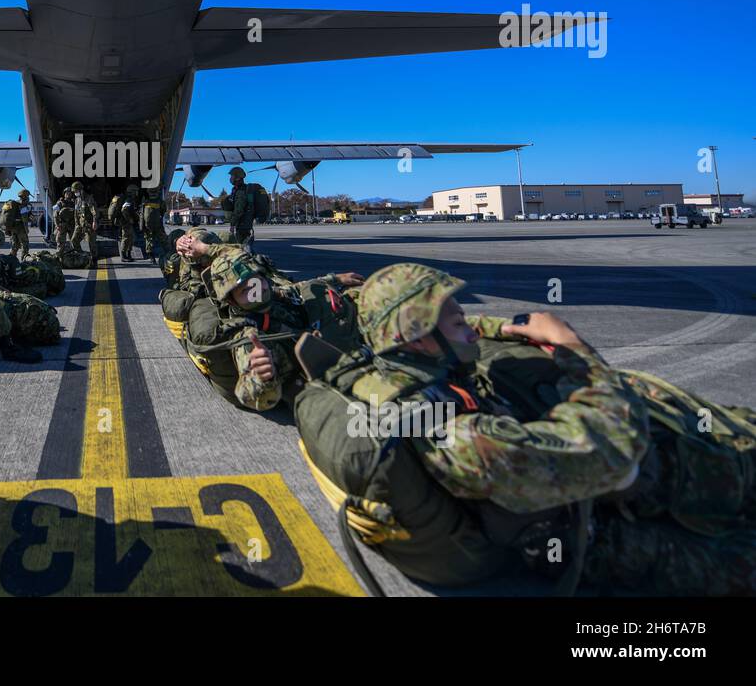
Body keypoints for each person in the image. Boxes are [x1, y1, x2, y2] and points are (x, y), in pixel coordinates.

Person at [294, 262, 756, 596]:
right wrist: (577, 354)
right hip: (584, 533)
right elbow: (611, 449)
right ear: (419, 335)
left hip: (557, 489)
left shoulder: (391, 366)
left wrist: (513, 325)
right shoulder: (457, 437)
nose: (471, 331)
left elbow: (465, 325)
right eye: (456, 322)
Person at [183, 246, 364, 411]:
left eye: (256, 281)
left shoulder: (271, 295)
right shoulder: (248, 335)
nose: (256, 290)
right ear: (231, 300)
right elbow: (251, 395)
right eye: (245, 291)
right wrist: (262, 376)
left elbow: (296, 289)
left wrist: (335, 279)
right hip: (322, 377)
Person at [224, 166, 255, 246]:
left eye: (232, 176)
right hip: (245, 223)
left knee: (242, 246)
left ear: (237, 178)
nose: (231, 178)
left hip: (242, 224)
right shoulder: (242, 189)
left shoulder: (241, 192)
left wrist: (232, 224)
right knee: (245, 245)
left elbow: (239, 210)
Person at [70, 181, 99, 264]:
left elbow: (94, 211)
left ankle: (94, 260)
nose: (75, 193)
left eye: (76, 191)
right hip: (80, 225)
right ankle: (82, 255)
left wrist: (94, 221)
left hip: (89, 225)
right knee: (74, 240)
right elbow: (76, 213)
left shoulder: (89, 198)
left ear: (81, 190)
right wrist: (76, 224)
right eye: (74, 191)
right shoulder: (77, 200)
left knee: (91, 243)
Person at [2, 189, 33, 261]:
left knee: (14, 245)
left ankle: (11, 261)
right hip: (20, 227)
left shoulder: (14, 203)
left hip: (13, 227)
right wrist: (27, 227)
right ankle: (24, 260)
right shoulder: (24, 205)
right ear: (26, 196)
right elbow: (24, 217)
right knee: (25, 244)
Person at [141, 187, 167, 260]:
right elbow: (163, 211)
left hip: (148, 225)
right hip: (158, 224)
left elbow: (141, 214)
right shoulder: (160, 201)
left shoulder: (145, 201)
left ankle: (151, 256)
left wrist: (141, 225)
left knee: (149, 240)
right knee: (163, 239)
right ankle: (167, 252)